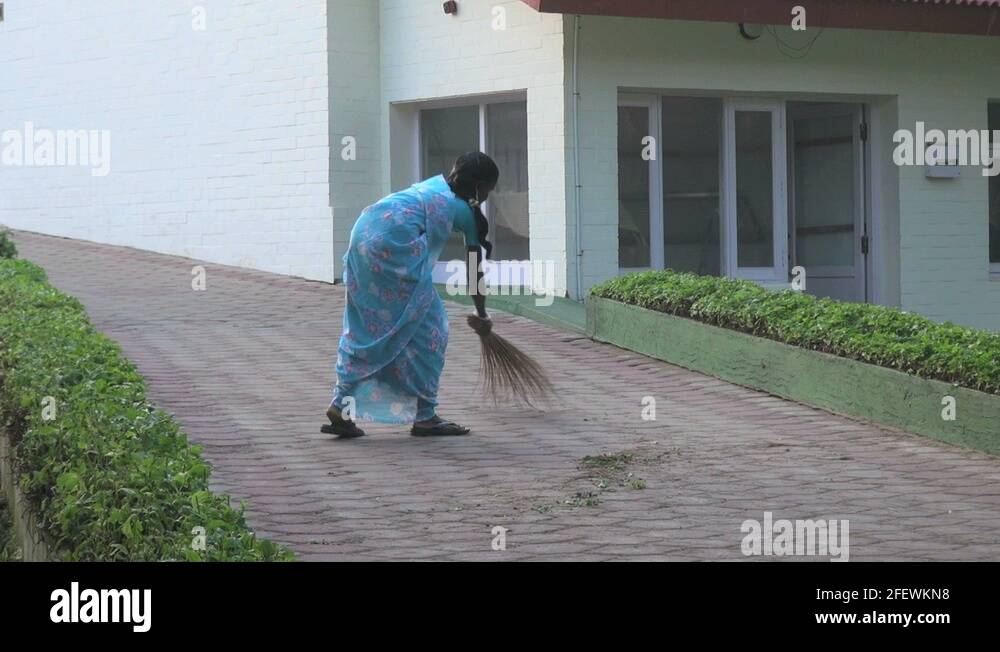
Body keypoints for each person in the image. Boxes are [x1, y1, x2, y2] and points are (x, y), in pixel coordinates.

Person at [323, 152, 498, 438]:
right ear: (480, 187)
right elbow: (474, 271)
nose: (489, 195)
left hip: (362, 240)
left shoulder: (430, 191)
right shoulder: (462, 210)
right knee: (432, 330)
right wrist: (481, 314)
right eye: (490, 188)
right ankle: (425, 417)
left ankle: (341, 405)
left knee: (368, 328)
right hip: (390, 247)